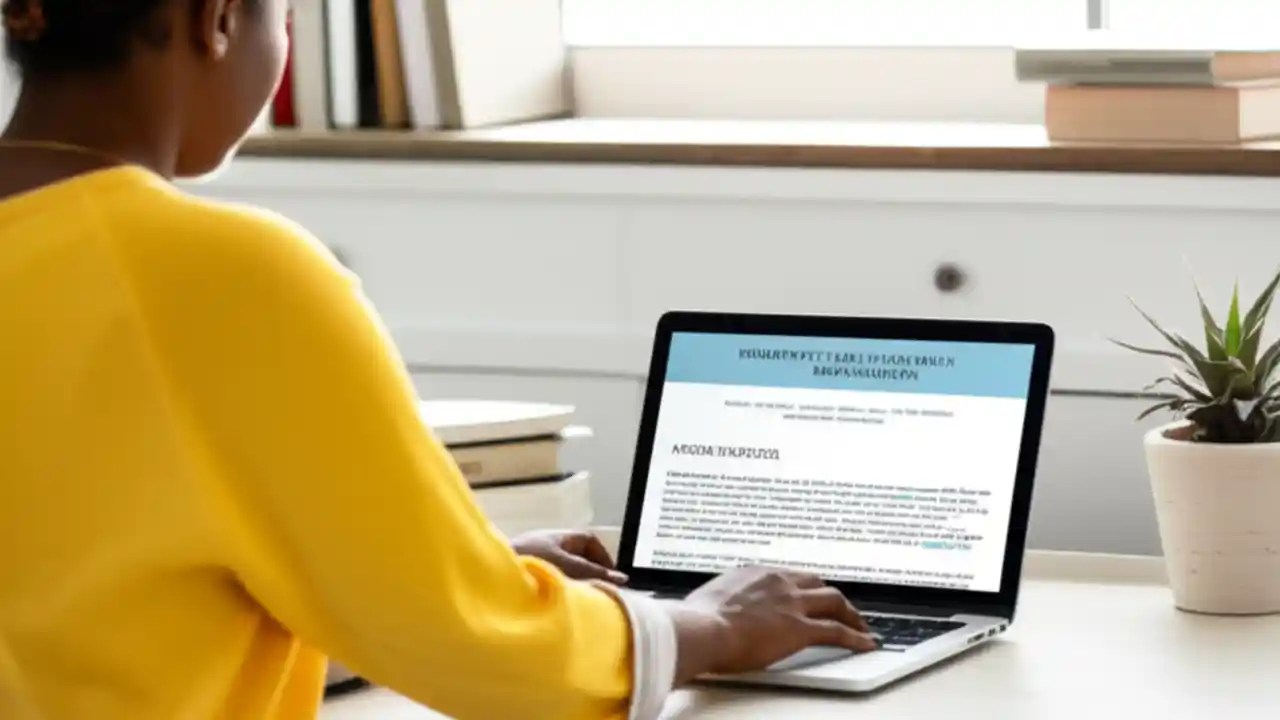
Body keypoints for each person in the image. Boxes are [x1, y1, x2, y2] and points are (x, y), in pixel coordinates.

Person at [0, 1, 877, 718]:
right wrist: (704, 624)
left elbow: (92, 602)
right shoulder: (223, 273)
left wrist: (427, 569)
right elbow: (482, 660)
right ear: (220, 19)